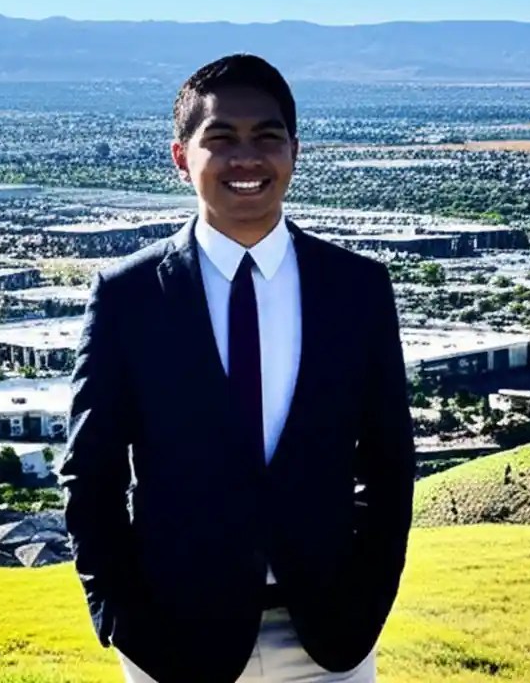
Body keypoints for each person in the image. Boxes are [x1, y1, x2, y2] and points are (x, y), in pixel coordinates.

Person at [60, 53, 415, 683]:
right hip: (174, 642)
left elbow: (388, 467)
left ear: (295, 152)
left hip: (330, 641)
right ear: (181, 158)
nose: (245, 159)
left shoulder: (358, 289)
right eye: (220, 139)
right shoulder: (128, 297)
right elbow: (92, 475)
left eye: (266, 138)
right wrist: (122, 620)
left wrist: (368, 607)